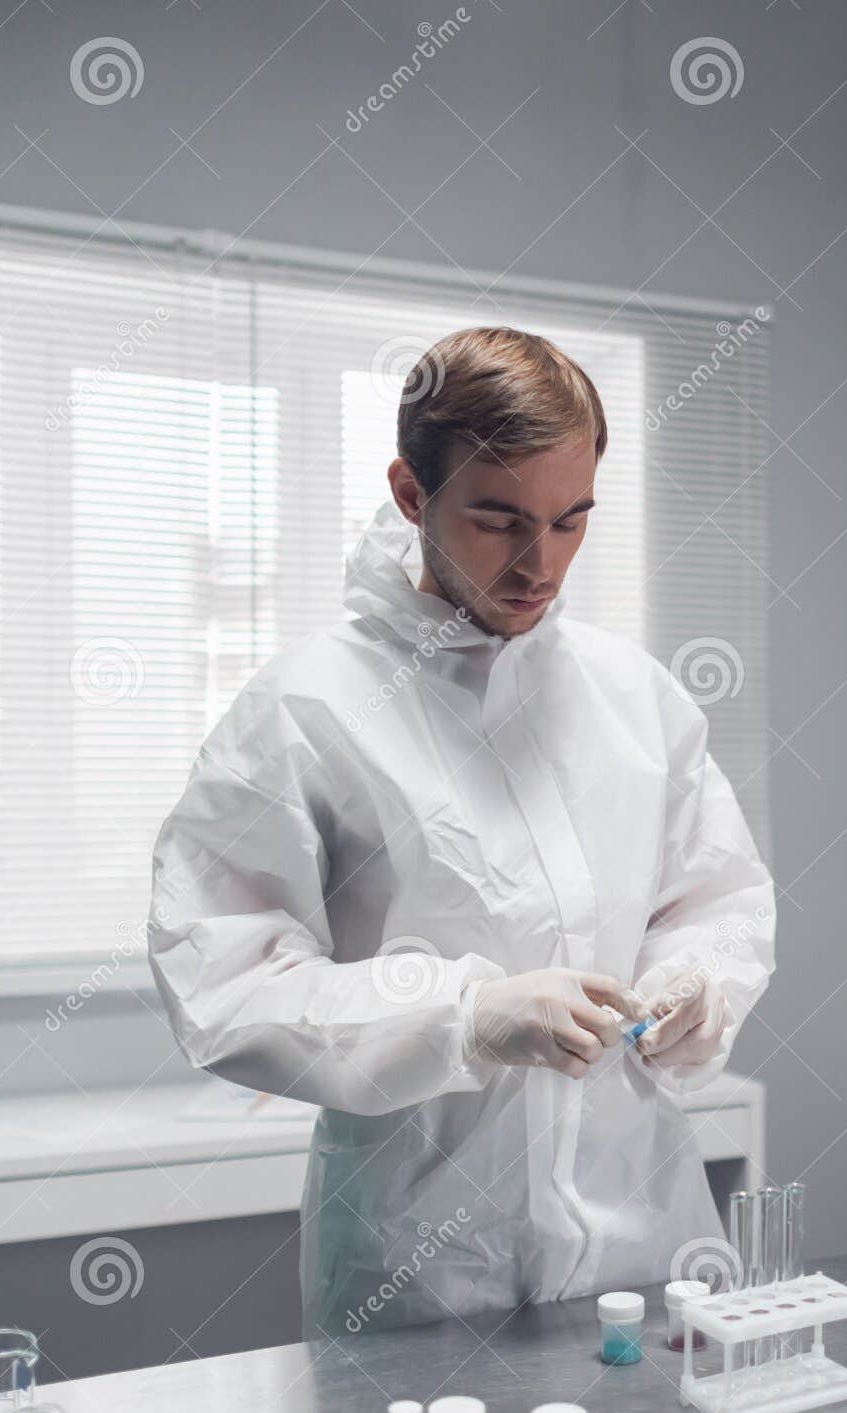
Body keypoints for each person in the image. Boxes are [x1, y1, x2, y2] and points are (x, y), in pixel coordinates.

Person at [148, 326, 775, 1338]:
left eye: (572, 521)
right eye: (498, 520)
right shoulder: (308, 708)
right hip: (424, 1271)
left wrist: (700, 984)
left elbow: (717, 901)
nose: (540, 565)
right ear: (410, 493)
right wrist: (461, 1014)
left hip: (645, 1247)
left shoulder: (634, 699)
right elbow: (222, 980)